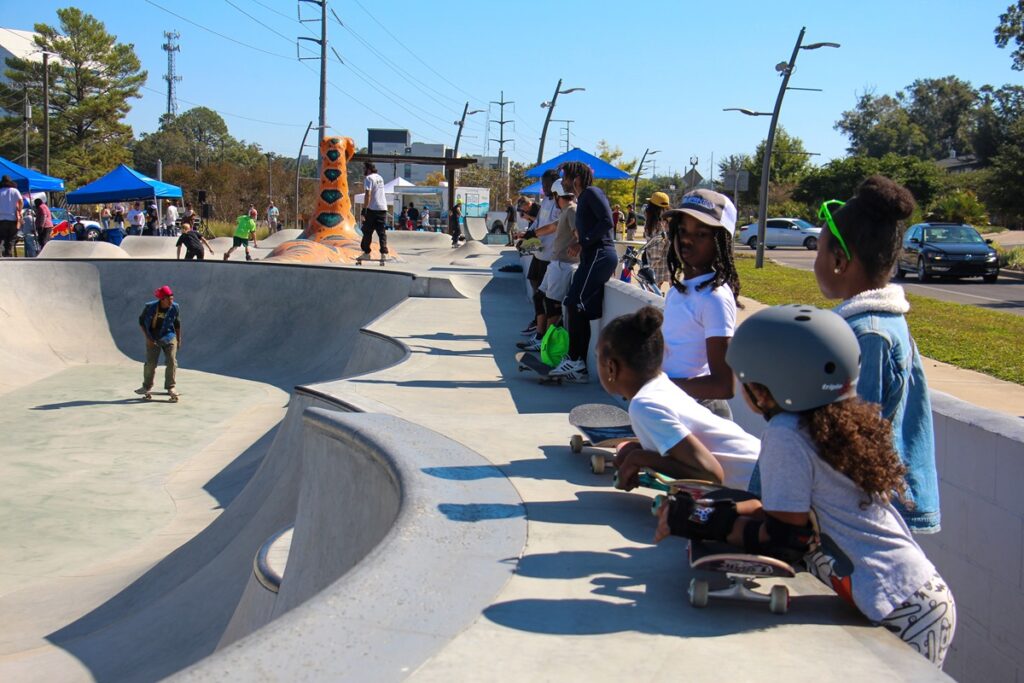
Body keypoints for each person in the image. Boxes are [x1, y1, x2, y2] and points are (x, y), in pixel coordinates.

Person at [656, 305, 956, 668]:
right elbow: (780, 510)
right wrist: (702, 510)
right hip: (918, 595)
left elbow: (785, 537)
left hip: (902, 608)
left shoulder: (787, 435)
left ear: (764, 388)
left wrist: (695, 521)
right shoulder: (826, 423)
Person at [813, 175, 940, 534]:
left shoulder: (867, 335)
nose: (816, 262)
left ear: (839, 260)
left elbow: (854, 438)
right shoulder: (877, 323)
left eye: (819, 252)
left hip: (871, 514)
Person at [598, 306, 760, 490]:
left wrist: (639, 458)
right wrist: (640, 451)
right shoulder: (661, 386)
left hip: (763, 481)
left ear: (611, 368)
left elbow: (711, 474)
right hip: (764, 464)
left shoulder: (644, 405)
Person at [660, 189, 741, 419]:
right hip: (675, 408)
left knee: (635, 457)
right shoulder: (679, 290)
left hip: (701, 413)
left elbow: (724, 385)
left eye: (701, 234)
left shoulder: (713, 297)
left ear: (721, 242)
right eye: (683, 230)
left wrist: (660, 387)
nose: (687, 239)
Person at [548, 161, 617, 383]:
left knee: (572, 304)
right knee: (577, 308)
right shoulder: (582, 198)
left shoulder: (592, 193)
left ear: (575, 178)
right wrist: (581, 241)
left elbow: (607, 221)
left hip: (600, 256)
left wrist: (583, 242)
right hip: (591, 257)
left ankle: (576, 360)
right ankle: (578, 365)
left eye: (565, 177)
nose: (563, 181)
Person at [522, 180, 579, 352]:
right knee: (540, 297)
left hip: (564, 264)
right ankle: (540, 337)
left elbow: (579, 233)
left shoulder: (572, 211)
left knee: (553, 304)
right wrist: (531, 233)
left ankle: (547, 342)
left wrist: (578, 244)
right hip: (556, 263)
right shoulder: (565, 211)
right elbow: (552, 227)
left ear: (556, 195)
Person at [523, 169, 562, 346]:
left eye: (546, 185)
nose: (544, 188)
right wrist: (529, 238)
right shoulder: (546, 200)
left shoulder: (559, 202)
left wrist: (534, 233)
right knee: (533, 282)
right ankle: (538, 321)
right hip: (539, 250)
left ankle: (542, 332)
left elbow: (554, 227)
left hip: (550, 255)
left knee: (544, 295)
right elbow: (538, 222)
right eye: (543, 184)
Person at [135, 285, 181, 401]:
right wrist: (148, 338)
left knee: (171, 360)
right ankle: (146, 386)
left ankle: (171, 387)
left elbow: (177, 323)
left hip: (169, 336)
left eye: (172, 298)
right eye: (169, 299)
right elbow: (141, 322)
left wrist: (179, 339)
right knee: (151, 363)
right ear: (162, 299)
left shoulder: (175, 307)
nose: (171, 301)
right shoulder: (150, 307)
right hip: (153, 337)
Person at [642, 191, 671, 290]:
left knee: (652, 297)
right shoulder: (668, 221)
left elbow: (656, 252)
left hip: (657, 268)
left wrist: (649, 268)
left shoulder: (657, 225)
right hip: (668, 265)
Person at [360, 162, 389, 259]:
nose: (363, 171)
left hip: (372, 209)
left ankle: (366, 253)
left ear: (368, 169)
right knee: (381, 232)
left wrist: (364, 209)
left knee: (367, 231)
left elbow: (368, 195)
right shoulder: (380, 178)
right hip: (383, 208)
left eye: (364, 169)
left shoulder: (368, 178)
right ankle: (383, 253)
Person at [0, 175, 23, 257]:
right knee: (11, 239)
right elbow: (20, 201)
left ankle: (2, 252)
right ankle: (8, 254)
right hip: (13, 219)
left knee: (2, 237)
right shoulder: (15, 191)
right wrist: (19, 210)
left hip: (1, 219)